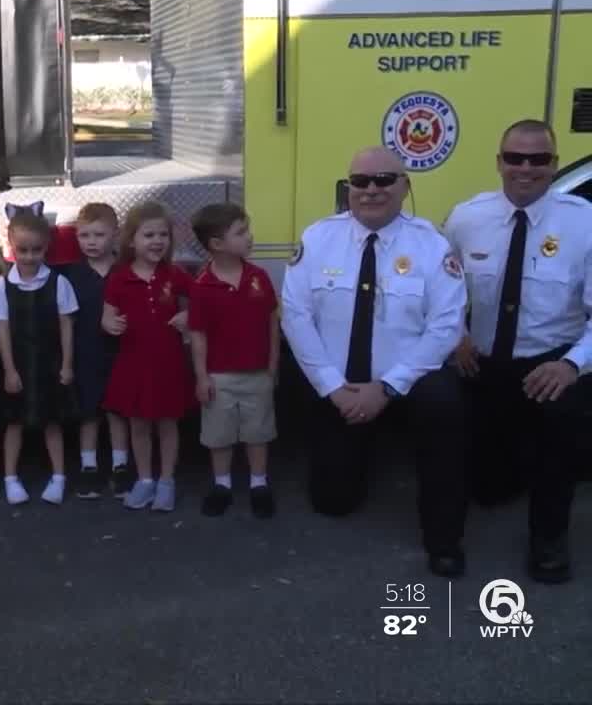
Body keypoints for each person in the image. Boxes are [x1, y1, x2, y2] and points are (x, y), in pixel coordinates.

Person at [280, 146, 468, 578]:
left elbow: (445, 327)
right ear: (348, 189)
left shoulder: (430, 245)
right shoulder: (318, 238)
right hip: (342, 385)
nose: (371, 190)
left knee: (445, 407)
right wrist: (331, 387)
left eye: (384, 180)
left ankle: (444, 538)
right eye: (360, 182)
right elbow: (295, 315)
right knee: (333, 502)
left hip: (410, 381)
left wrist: (388, 387)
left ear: (405, 186)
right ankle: (355, 452)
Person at [444, 119, 592, 584]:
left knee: (561, 430)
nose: (525, 169)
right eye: (515, 158)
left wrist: (571, 365)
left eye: (539, 159)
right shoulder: (466, 218)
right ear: (499, 162)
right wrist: (456, 336)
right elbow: (442, 292)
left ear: (554, 164)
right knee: (488, 486)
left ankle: (549, 535)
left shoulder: (585, 223)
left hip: (549, 363)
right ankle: (509, 469)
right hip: (483, 362)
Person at [101, 202, 195, 512]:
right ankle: (144, 480)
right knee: (138, 425)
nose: (157, 241)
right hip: (134, 364)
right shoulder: (119, 277)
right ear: (131, 240)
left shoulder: (175, 275)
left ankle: (166, 482)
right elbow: (107, 316)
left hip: (168, 364)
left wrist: (187, 316)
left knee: (167, 425)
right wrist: (110, 324)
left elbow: (200, 304)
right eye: (149, 235)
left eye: (163, 235)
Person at [188, 203, 279, 518]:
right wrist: (201, 376)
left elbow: (271, 321)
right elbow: (198, 334)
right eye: (240, 232)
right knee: (220, 435)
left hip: (257, 374)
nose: (249, 237)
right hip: (219, 377)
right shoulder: (201, 287)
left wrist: (273, 366)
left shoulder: (259, 277)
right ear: (216, 244)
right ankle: (222, 484)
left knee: (258, 433)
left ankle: (258, 483)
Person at [0, 202, 79, 505]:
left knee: (52, 422)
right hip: (18, 365)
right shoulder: (2, 285)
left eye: (36, 250)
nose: (29, 257)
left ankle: (59, 477)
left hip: (49, 363)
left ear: (47, 247)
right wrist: (9, 370)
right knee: (14, 423)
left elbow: (66, 324)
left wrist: (67, 364)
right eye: (22, 250)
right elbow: (2, 329)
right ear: (11, 247)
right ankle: (10, 478)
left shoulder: (59, 283)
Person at [60, 203, 130, 500]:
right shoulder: (71, 275)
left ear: (116, 235)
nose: (91, 242)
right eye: (84, 235)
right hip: (84, 352)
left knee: (117, 411)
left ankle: (120, 465)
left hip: (121, 353)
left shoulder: (126, 272)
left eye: (99, 235)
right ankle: (88, 467)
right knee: (88, 412)